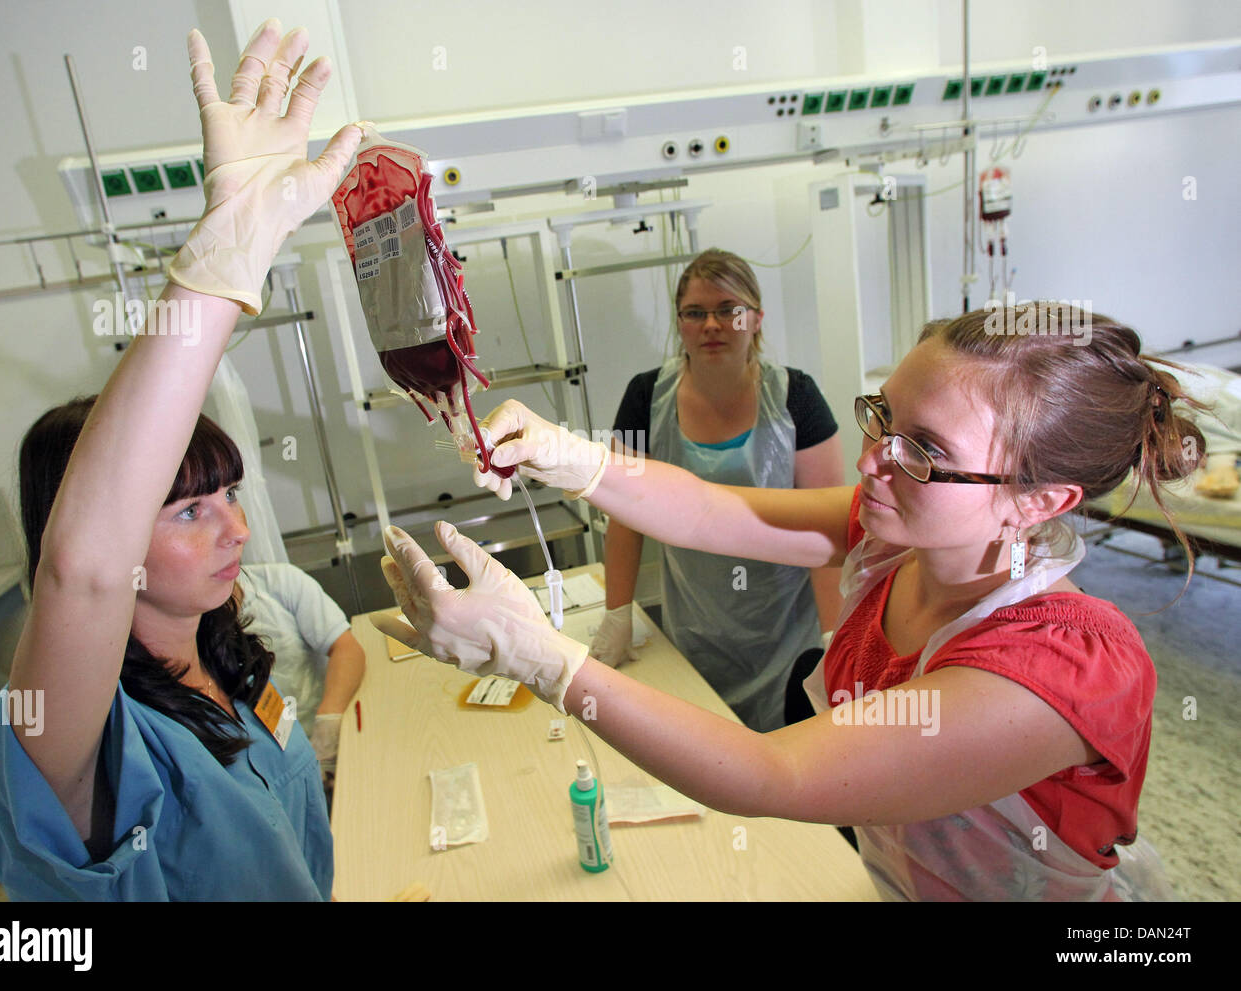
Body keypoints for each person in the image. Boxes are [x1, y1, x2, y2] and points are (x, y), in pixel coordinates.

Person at [380, 303, 1204, 900]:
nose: (875, 459)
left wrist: (540, 658)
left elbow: (773, 772)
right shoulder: (899, 533)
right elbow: (715, 510)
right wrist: (577, 458)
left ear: (1039, 501)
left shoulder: (1061, 667)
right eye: (885, 416)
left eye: (924, 450)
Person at [0, 19, 367, 900]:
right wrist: (225, 257)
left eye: (227, 493)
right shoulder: (84, 738)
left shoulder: (228, 660)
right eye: (188, 509)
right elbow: (83, 569)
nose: (237, 524)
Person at [595, 249, 842, 731]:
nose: (712, 324)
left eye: (730, 310)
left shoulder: (797, 397)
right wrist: (617, 613)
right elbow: (623, 516)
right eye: (695, 312)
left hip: (788, 634)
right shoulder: (645, 399)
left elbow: (829, 528)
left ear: (755, 319)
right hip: (694, 626)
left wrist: (836, 636)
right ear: (680, 322)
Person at [235, 562, 366, 788]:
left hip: (329, 736)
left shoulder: (280, 582)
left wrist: (328, 724)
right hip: (271, 774)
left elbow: (347, 649)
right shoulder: (188, 635)